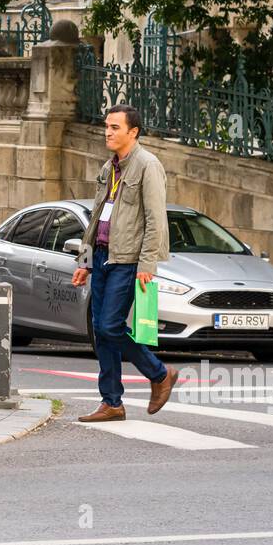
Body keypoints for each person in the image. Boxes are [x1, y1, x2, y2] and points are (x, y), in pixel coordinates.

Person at [70, 103, 179, 421]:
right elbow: (94, 220)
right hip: (102, 257)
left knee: (110, 326)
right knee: (101, 332)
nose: (108, 132)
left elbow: (156, 220)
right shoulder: (109, 168)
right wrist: (85, 261)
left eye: (115, 127)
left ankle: (158, 374)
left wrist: (147, 266)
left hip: (128, 259)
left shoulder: (148, 165)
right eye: (106, 126)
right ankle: (112, 402)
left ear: (133, 132)